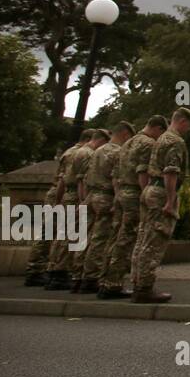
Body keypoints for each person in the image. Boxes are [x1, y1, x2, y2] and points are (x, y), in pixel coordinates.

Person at [130, 107, 190, 304]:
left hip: (150, 189)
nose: (188, 130)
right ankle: (145, 289)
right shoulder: (175, 141)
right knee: (154, 241)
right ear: (182, 121)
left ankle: (137, 283)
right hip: (160, 192)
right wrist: (170, 199)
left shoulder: (160, 139)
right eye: (188, 126)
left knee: (143, 239)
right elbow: (171, 171)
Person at [103, 115, 167, 299]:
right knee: (128, 239)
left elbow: (115, 175)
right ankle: (113, 283)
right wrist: (145, 196)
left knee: (115, 237)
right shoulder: (147, 144)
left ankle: (105, 280)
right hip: (133, 194)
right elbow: (142, 174)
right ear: (158, 128)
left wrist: (117, 196)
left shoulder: (128, 143)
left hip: (121, 192)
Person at [24, 134, 91, 287]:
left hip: (58, 194)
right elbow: (64, 179)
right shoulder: (77, 153)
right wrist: (58, 202)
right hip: (62, 194)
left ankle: (43, 268)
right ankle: (39, 270)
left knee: (52, 233)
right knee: (54, 233)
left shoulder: (70, 152)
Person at [75, 122, 133, 293]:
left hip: (91, 195)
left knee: (85, 236)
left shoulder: (97, 150)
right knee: (101, 238)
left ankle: (78, 274)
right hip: (106, 196)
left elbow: (85, 177)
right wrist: (118, 200)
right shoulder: (118, 152)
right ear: (124, 134)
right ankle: (91, 277)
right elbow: (116, 178)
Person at [46, 129, 106, 291]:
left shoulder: (72, 152)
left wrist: (58, 200)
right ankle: (63, 272)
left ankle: (54, 270)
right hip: (76, 197)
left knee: (64, 234)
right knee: (74, 236)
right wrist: (84, 201)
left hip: (67, 195)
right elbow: (83, 181)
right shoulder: (87, 154)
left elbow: (62, 180)